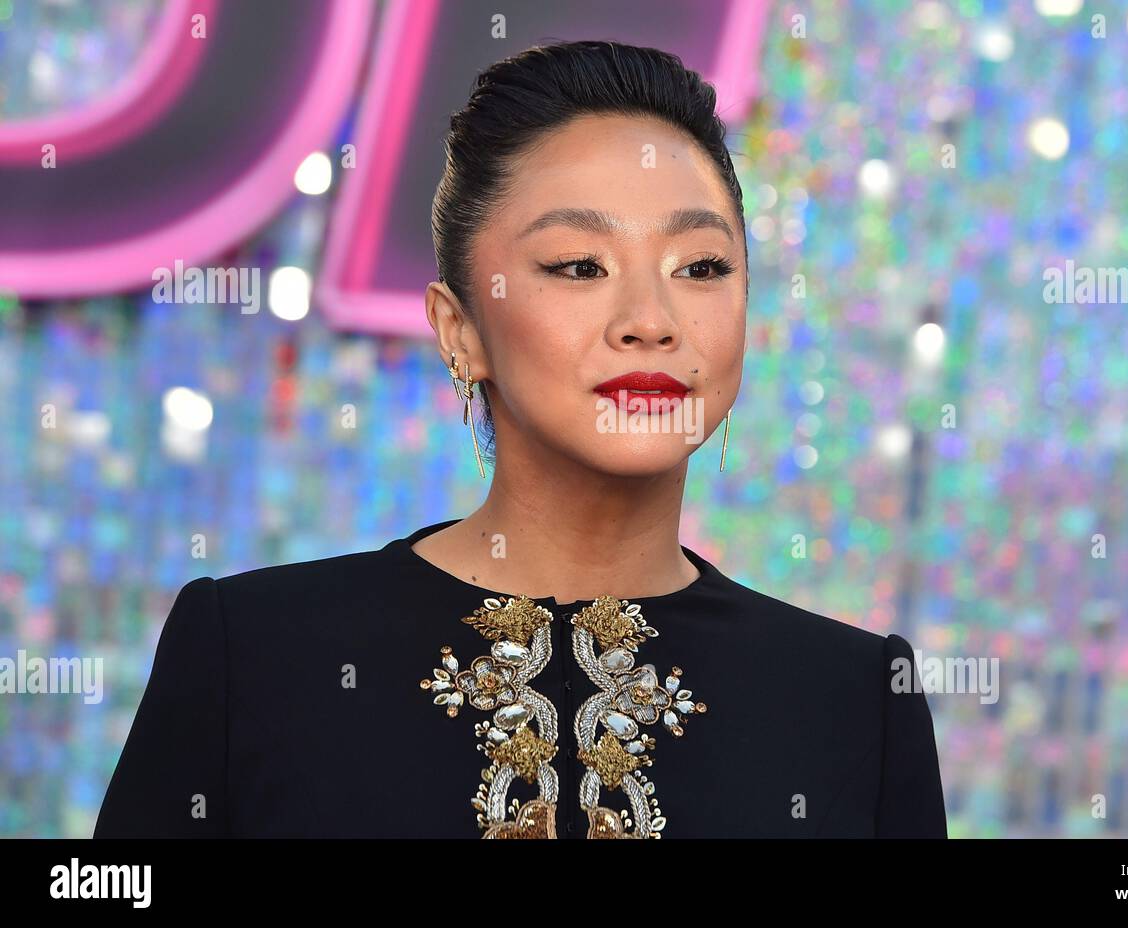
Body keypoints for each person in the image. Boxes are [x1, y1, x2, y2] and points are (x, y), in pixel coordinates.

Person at [94, 39, 945, 839]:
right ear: (458, 329)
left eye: (700, 267)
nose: (650, 321)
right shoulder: (255, 656)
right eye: (579, 266)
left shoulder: (853, 701)